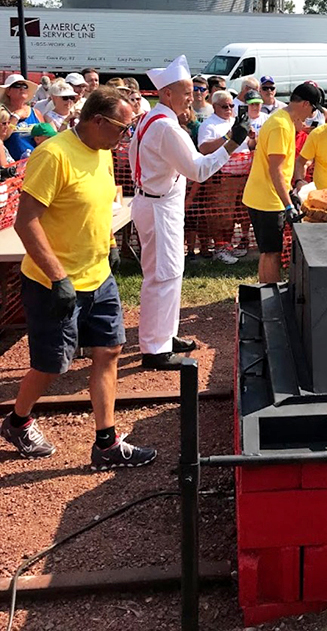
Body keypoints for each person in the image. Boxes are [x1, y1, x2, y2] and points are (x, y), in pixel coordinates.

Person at [1, 87, 157, 469]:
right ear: (98, 121)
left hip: (97, 276)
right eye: (123, 128)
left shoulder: (101, 153)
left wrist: (109, 244)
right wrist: (58, 278)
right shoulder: (53, 155)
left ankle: (106, 442)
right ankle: (18, 421)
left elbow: (99, 204)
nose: (126, 137)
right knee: (53, 365)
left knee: (109, 351)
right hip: (52, 282)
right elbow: (26, 221)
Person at [129, 56, 248, 369]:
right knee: (163, 274)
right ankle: (155, 348)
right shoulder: (167, 127)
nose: (193, 98)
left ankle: (164, 336)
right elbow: (198, 169)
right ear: (167, 94)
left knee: (168, 271)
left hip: (155, 200)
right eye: (186, 93)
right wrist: (233, 143)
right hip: (159, 204)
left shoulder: (150, 119)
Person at [242, 83, 324, 284]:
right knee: (272, 253)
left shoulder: (281, 120)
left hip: (263, 196)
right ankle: (271, 296)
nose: (312, 115)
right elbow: (275, 169)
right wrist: (287, 203)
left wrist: (290, 190)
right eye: (313, 109)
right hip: (268, 200)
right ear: (305, 104)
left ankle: (264, 292)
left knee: (267, 251)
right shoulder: (280, 126)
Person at [197, 90, 241, 264]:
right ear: (214, 107)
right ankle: (219, 248)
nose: (229, 109)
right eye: (225, 106)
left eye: (231, 105)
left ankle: (228, 246)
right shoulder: (209, 125)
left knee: (233, 215)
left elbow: (247, 145)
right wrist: (227, 136)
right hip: (222, 176)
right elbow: (204, 148)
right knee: (220, 214)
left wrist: (252, 139)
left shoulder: (235, 121)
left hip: (240, 175)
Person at [1, 74, 43, 160]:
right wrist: (16, 117)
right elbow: (2, 137)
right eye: (17, 86)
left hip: (34, 163)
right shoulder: (2, 112)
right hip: (11, 166)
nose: (22, 89)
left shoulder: (35, 113)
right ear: (8, 91)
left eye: (24, 86)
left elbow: (45, 137)